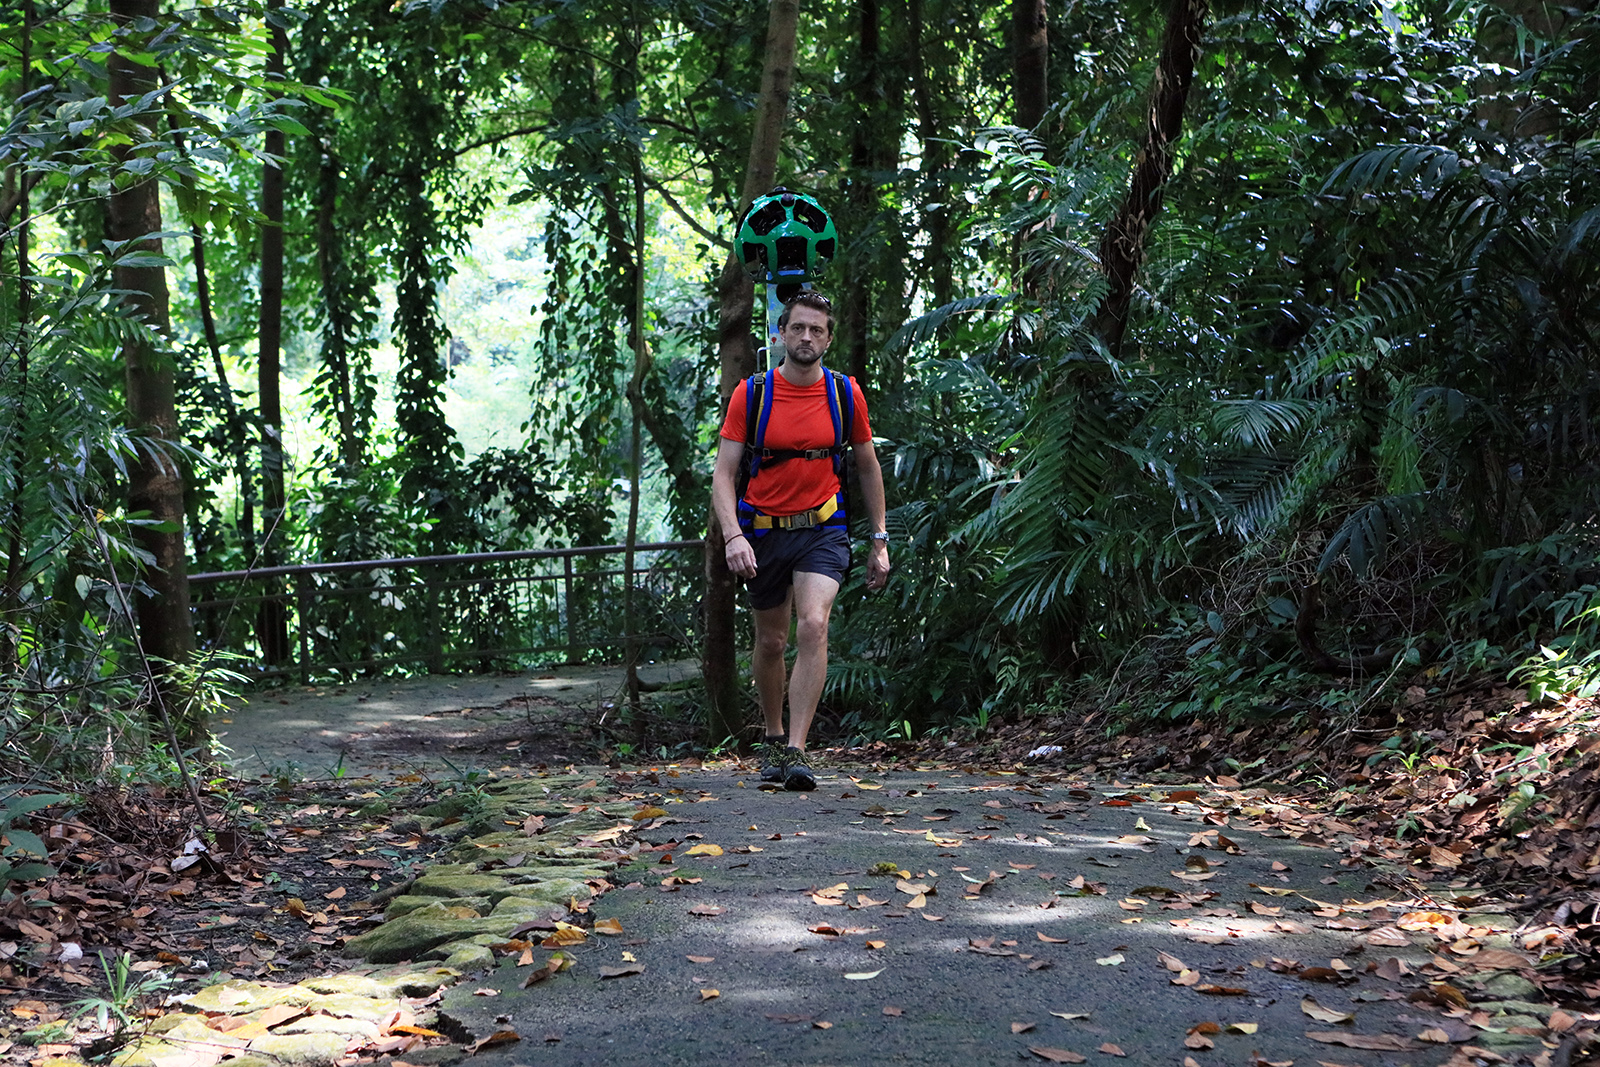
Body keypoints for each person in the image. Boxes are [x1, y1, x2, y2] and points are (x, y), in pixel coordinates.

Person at [711, 291, 891, 791]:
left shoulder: (843, 393)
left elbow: (867, 465)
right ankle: (771, 739)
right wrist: (733, 537)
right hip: (763, 531)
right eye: (798, 328)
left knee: (813, 625)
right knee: (771, 641)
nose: (807, 337)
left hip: (823, 529)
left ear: (828, 339)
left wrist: (879, 539)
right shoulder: (752, 394)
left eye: (817, 330)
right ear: (780, 334)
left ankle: (797, 750)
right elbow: (724, 474)